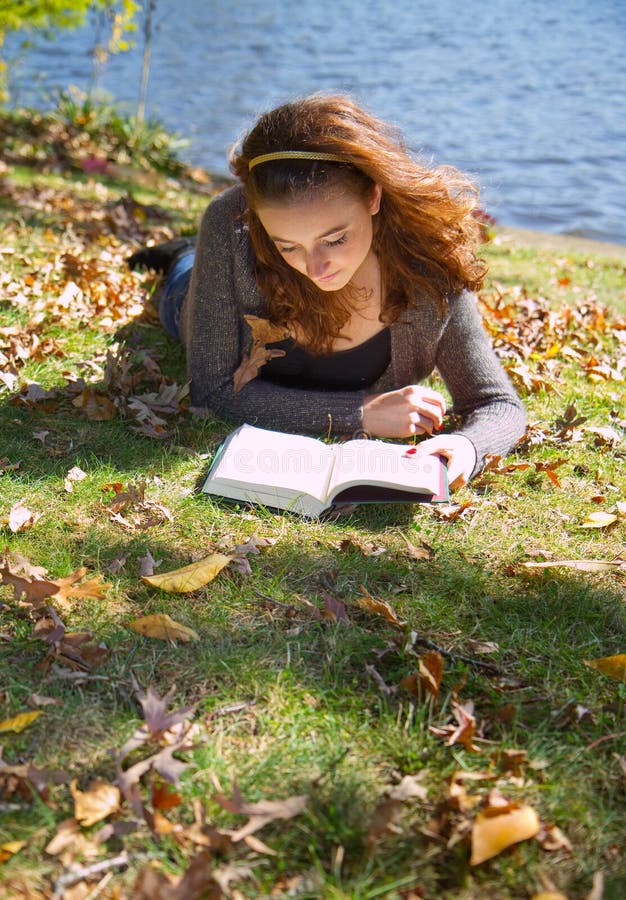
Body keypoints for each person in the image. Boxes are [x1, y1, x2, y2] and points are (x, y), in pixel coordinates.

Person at [129, 94, 526, 490]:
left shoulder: (426, 266)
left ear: (374, 196)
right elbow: (212, 392)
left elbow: (497, 404)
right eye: (287, 246)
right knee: (182, 277)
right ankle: (181, 255)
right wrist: (361, 413)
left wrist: (466, 447)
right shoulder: (230, 225)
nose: (314, 268)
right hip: (187, 303)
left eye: (334, 239)